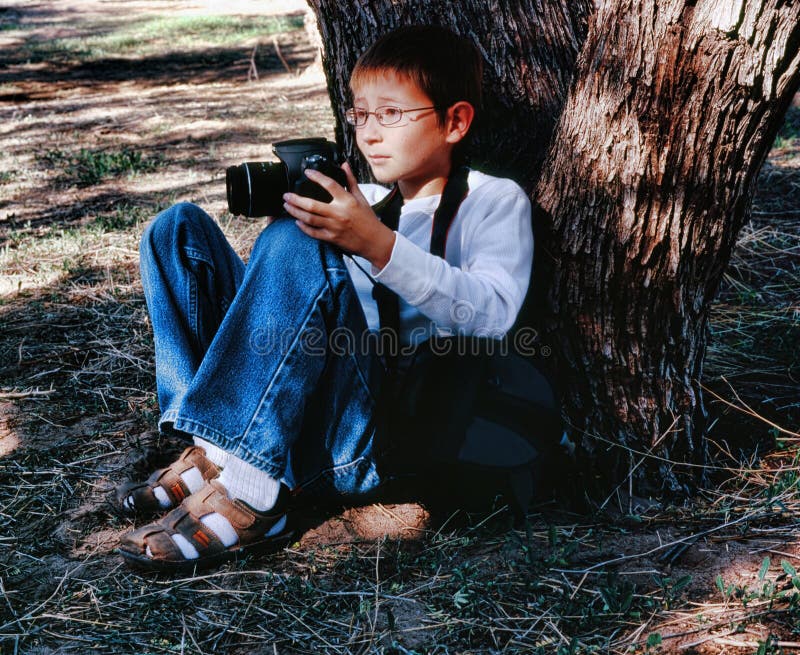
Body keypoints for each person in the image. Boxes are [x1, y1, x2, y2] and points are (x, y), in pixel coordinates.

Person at [114, 24, 534, 572]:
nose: (370, 135)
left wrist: (376, 245)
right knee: (178, 231)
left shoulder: (491, 201)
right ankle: (211, 448)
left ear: (454, 121)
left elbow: (494, 316)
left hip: (370, 432)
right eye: (360, 115)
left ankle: (251, 491)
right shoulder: (364, 198)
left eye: (392, 115)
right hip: (298, 396)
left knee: (295, 242)